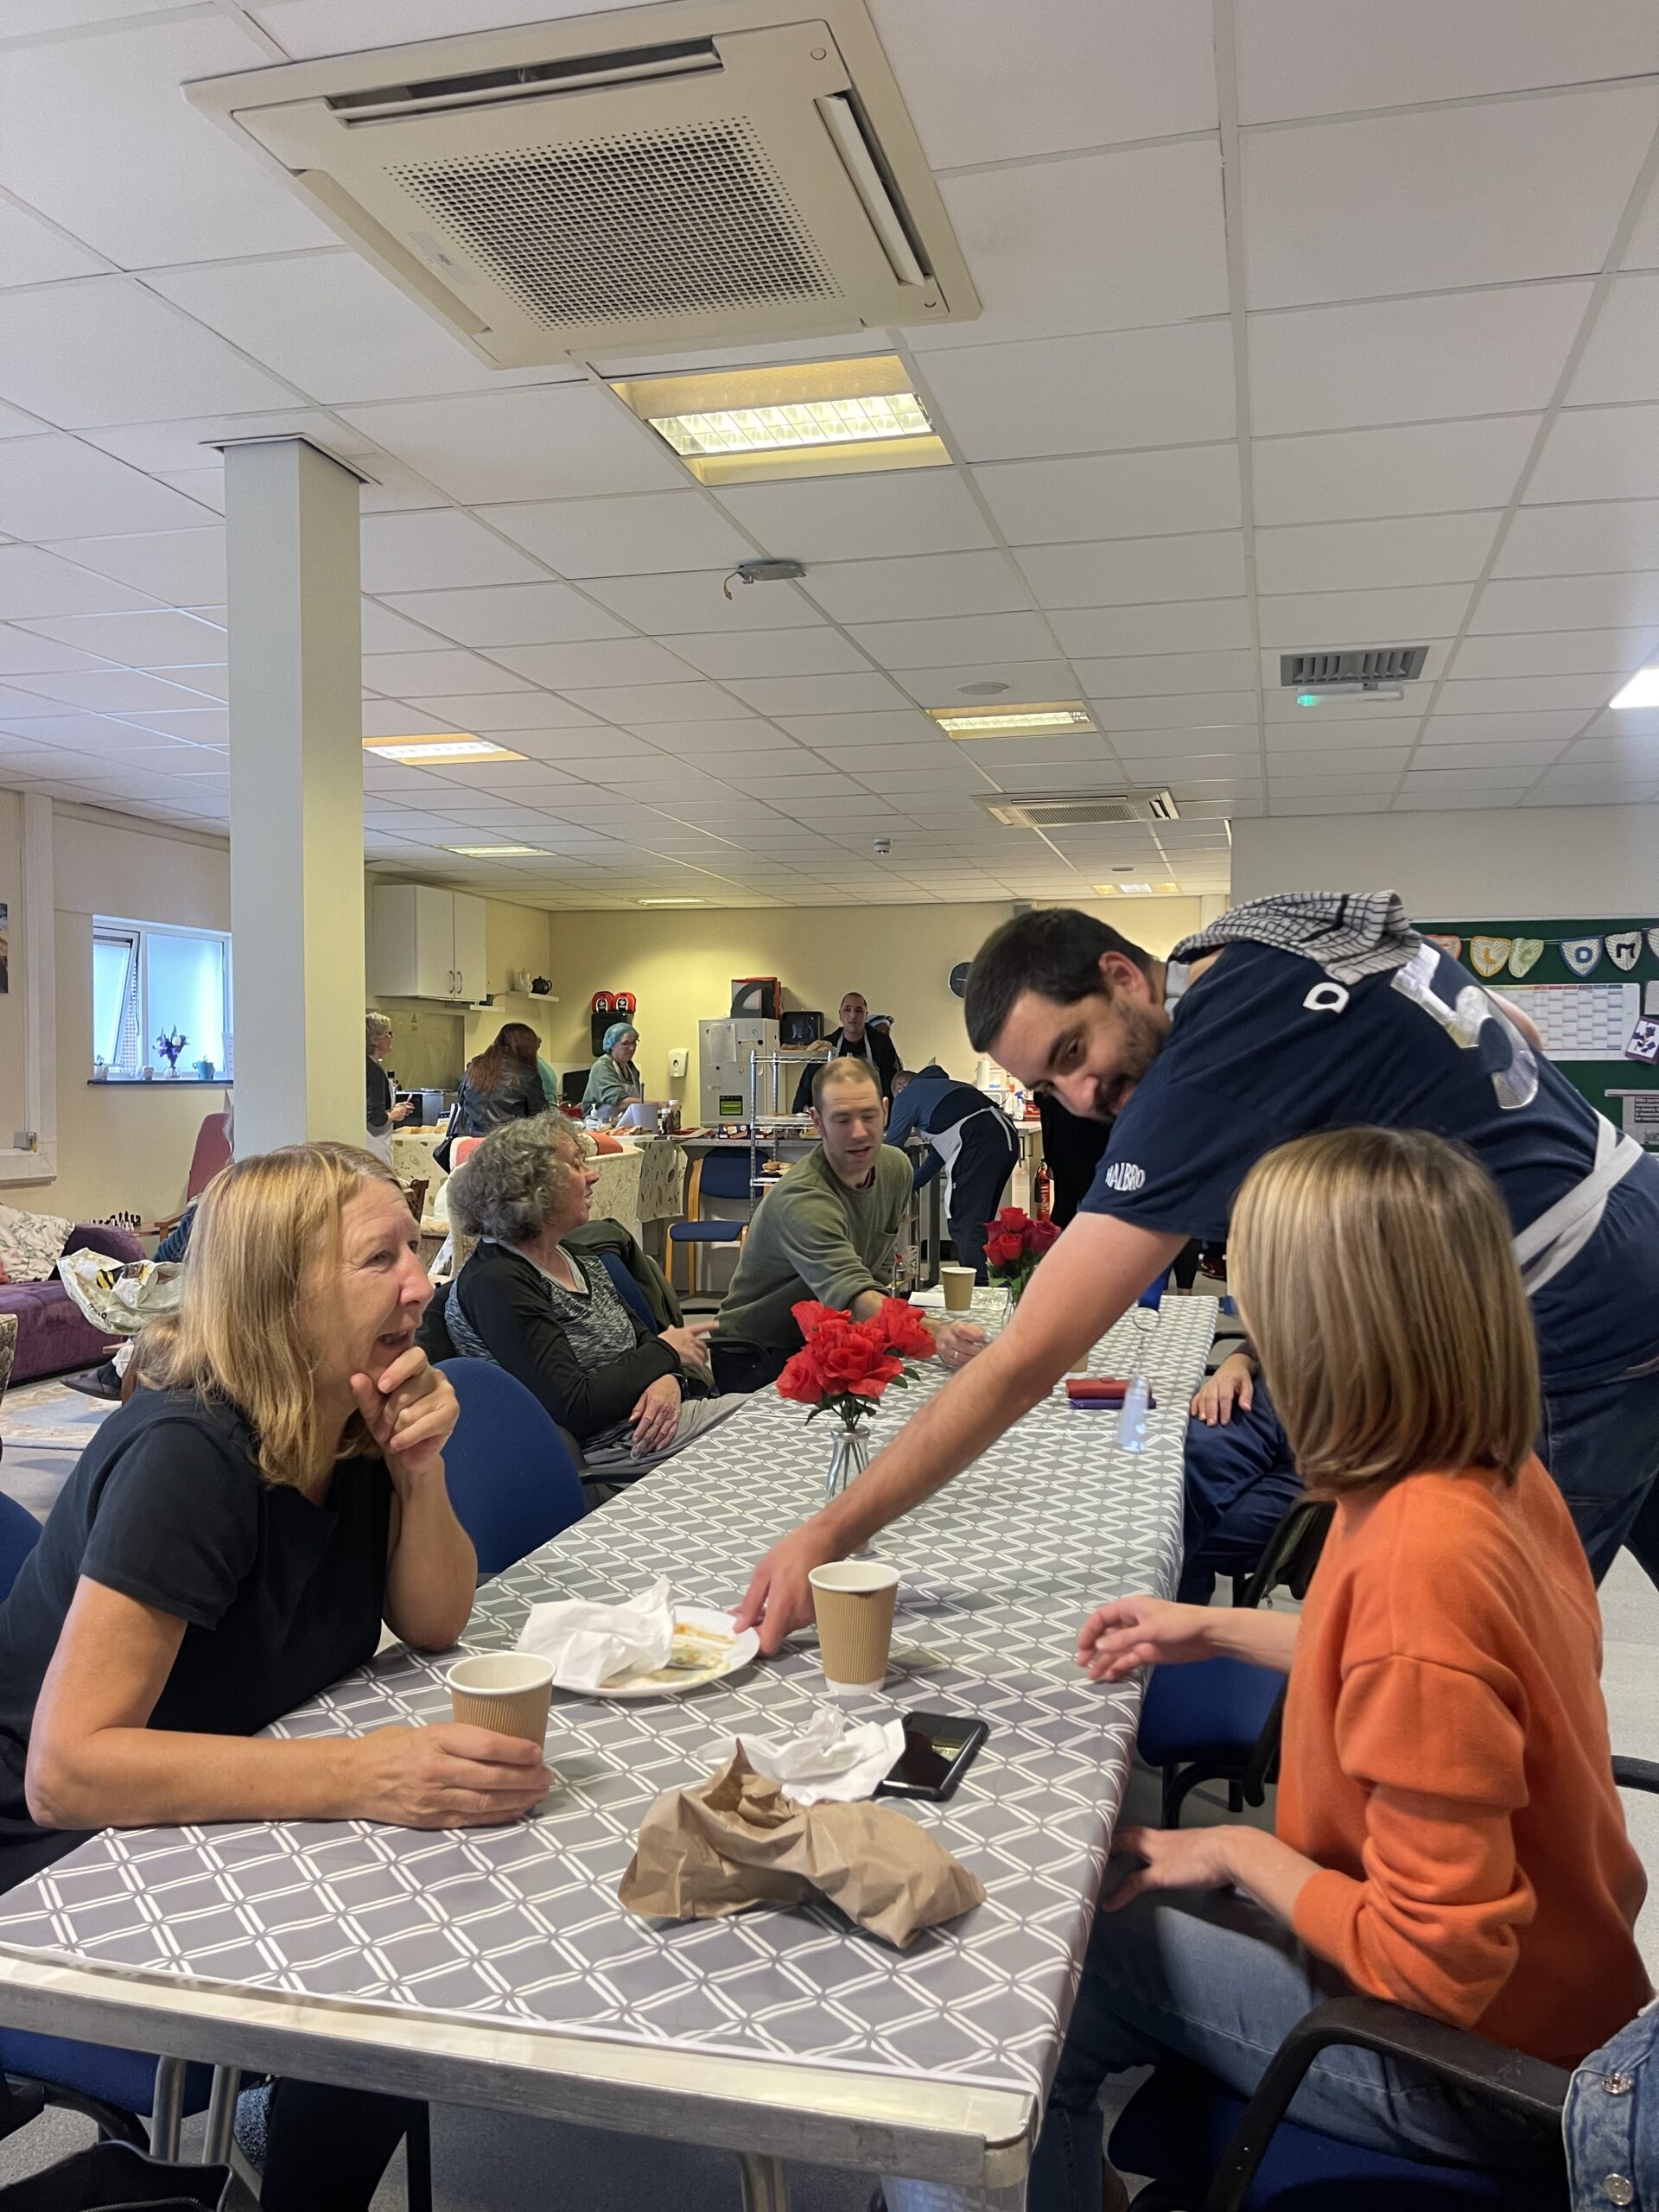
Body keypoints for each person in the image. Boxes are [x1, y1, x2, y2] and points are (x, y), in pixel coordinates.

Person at [736, 894, 1659, 1647]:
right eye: (1052, 1087)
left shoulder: (1204, 1065)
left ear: (1123, 978)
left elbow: (1025, 1359)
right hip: (1634, 1203)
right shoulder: (1262, 937)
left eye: (1073, 1052)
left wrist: (829, 1531)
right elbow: (1522, 1028)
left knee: (1476, 1664)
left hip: (1576, 1305)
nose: (1084, 1096)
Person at [1021, 1128, 1652, 2207]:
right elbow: (1419, 1674)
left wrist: (1235, 1849)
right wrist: (1211, 1628)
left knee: (1060, 1972)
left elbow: (1436, 1965)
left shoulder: (1419, 1561)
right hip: (1572, 1993)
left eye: (1250, 1292)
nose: (1242, 1316)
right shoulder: (1488, 1474)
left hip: (1477, 2070)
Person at [0, 1141, 549, 2209]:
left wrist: (417, 1472)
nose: (421, 1279)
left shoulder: (344, 1419)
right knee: (397, 1952)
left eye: (417, 1245)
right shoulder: (191, 1454)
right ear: (278, 1298)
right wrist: (361, 1777)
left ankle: (297, 2152)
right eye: (379, 1257)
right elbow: (66, 1770)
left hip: (208, 1790)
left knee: (429, 1913)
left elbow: (435, 1620)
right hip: (51, 1855)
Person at [425, 1117, 734, 1469]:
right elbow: (574, 1407)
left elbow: (645, 1343)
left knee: (787, 1416)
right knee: (783, 1423)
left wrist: (669, 1378)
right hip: (612, 1450)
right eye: (576, 1164)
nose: (592, 1175)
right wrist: (668, 1353)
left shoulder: (575, 1255)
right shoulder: (498, 1281)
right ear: (531, 1185)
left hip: (654, 1426)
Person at [709, 1058, 987, 1395]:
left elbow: (876, 1277)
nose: (858, 1132)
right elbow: (854, 1298)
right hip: (757, 1354)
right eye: (842, 1120)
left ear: (886, 1111)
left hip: (830, 1336)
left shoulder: (895, 1168)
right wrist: (934, 1331)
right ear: (817, 1122)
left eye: (868, 1116)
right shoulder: (802, 1199)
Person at [1180, 1343, 1300, 1604]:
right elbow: (1285, 1325)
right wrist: (1241, 1358)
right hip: (1285, 1390)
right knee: (1178, 1482)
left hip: (1349, 1447)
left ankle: (1171, 1632)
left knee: (1180, 1532)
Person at [884, 1062, 1019, 1281]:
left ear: (900, 1089)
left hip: (978, 1138)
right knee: (980, 1220)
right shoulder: (949, 1088)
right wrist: (911, 1185)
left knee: (963, 1219)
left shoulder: (909, 1094)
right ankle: (989, 1284)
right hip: (1006, 1137)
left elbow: (890, 1149)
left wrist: (874, 1186)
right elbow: (939, 1155)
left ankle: (978, 1289)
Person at [790, 992, 899, 1110]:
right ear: (840, 1015)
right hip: (834, 1111)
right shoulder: (828, 1044)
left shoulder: (882, 1044)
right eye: (847, 1010)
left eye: (859, 1011)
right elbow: (808, 1085)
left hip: (870, 1111)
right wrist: (796, 1120)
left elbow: (892, 1083)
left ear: (865, 1015)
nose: (853, 1016)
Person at [455, 1021, 544, 1137]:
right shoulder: (527, 1075)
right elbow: (541, 1117)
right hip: (507, 1144)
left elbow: (462, 1100)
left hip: (470, 1141)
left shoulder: (475, 1066)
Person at [365, 1012, 415, 1165]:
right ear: (375, 1039)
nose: (391, 1038)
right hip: (375, 1147)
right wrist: (394, 1114)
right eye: (388, 1034)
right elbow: (376, 1118)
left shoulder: (365, 1065)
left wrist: (392, 1110)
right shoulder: (374, 1071)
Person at [582, 1022, 645, 1120]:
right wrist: (660, 1104)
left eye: (634, 1042)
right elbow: (620, 1102)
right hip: (600, 1126)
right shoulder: (602, 1067)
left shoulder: (632, 1070)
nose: (632, 1048)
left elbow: (636, 1104)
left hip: (624, 1126)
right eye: (625, 1043)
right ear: (612, 1044)